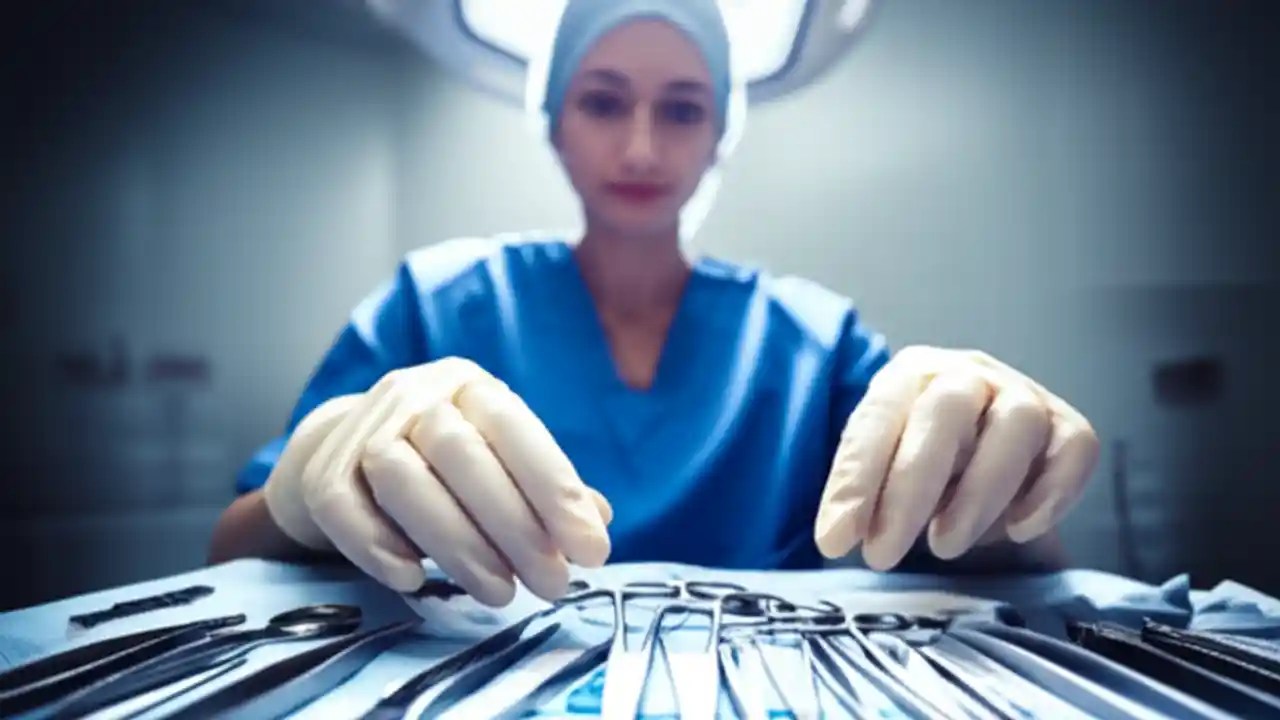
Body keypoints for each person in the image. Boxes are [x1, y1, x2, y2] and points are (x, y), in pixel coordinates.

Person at [209, 0, 1099, 608]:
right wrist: (300, 499)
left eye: (681, 110)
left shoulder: (812, 342)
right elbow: (229, 558)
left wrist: (1004, 484)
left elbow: (1003, 562)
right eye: (602, 103)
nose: (641, 146)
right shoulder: (433, 307)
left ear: (719, 134)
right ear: (553, 119)